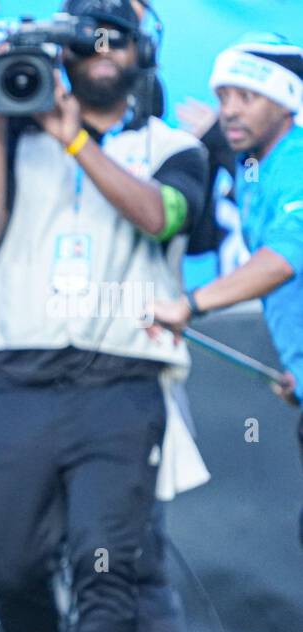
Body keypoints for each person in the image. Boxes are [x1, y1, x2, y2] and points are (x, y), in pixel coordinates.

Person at [0, 0, 209, 632]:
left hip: (119, 383)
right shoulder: (17, 137)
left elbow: (164, 216)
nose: (100, 53)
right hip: (22, 381)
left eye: (115, 40)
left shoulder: (174, 145)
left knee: (107, 567)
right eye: (84, 41)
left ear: (140, 52)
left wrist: (75, 138)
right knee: (12, 568)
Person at [151, 38, 303, 483]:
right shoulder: (258, 166)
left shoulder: (296, 161)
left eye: (247, 97)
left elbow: (284, 260)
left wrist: (190, 305)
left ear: (286, 101)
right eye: (223, 98)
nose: (230, 110)